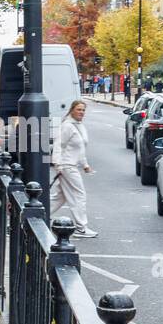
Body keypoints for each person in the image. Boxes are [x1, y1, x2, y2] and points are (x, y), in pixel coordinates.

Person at [51, 100, 96, 238]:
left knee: (61, 197)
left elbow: (80, 147)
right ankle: (81, 227)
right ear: (71, 110)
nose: (81, 112)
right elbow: (59, 145)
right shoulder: (67, 126)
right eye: (78, 109)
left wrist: (85, 165)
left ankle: (39, 213)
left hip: (70, 165)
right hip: (67, 166)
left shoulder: (79, 126)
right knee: (79, 195)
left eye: (83, 110)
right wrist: (57, 164)